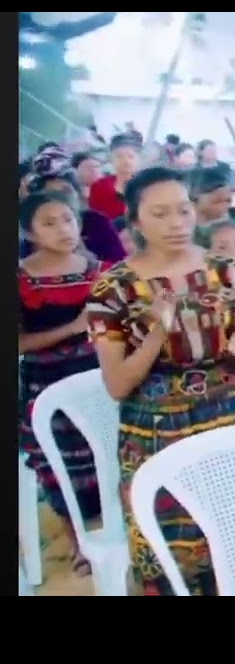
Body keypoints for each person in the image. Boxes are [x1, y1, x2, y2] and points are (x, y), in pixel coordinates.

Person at [84, 167, 235, 595]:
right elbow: (118, 385)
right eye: (160, 214)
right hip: (158, 430)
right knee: (173, 551)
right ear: (135, 221)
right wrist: (158, 331)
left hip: (233, 414)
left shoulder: (229, 273)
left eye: (183, 210)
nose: (177, 223)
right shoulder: (113, 289)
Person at [18, 190, 108, 579]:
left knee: (112, 458)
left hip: (104, 378)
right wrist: (72, 328)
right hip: (47, 386)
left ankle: (125, 536)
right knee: (60, 469)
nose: (63, 229)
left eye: (68, 219)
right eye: (49, 223)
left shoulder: (99, 270)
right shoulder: (20, 278)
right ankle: (78, 545)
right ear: (30, 232)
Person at [22, 152, 126, 264]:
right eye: (51, 194)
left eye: (65, 192)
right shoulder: (31, 234)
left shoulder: (96, 221)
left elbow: (119, 263)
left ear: (78, 193)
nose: (59, 201)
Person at [188, 166, 235, 271]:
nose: (224, 195)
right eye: (212, 190)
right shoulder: (183, 227)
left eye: (228, 191)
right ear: (194, 196)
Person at [86, 133, 141, 221]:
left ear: (138, 160)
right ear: (111, 159)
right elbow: (93, 220)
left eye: (130, 156)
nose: (125, 161)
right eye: (119, 156)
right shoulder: (100, 186)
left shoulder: (147, 187)